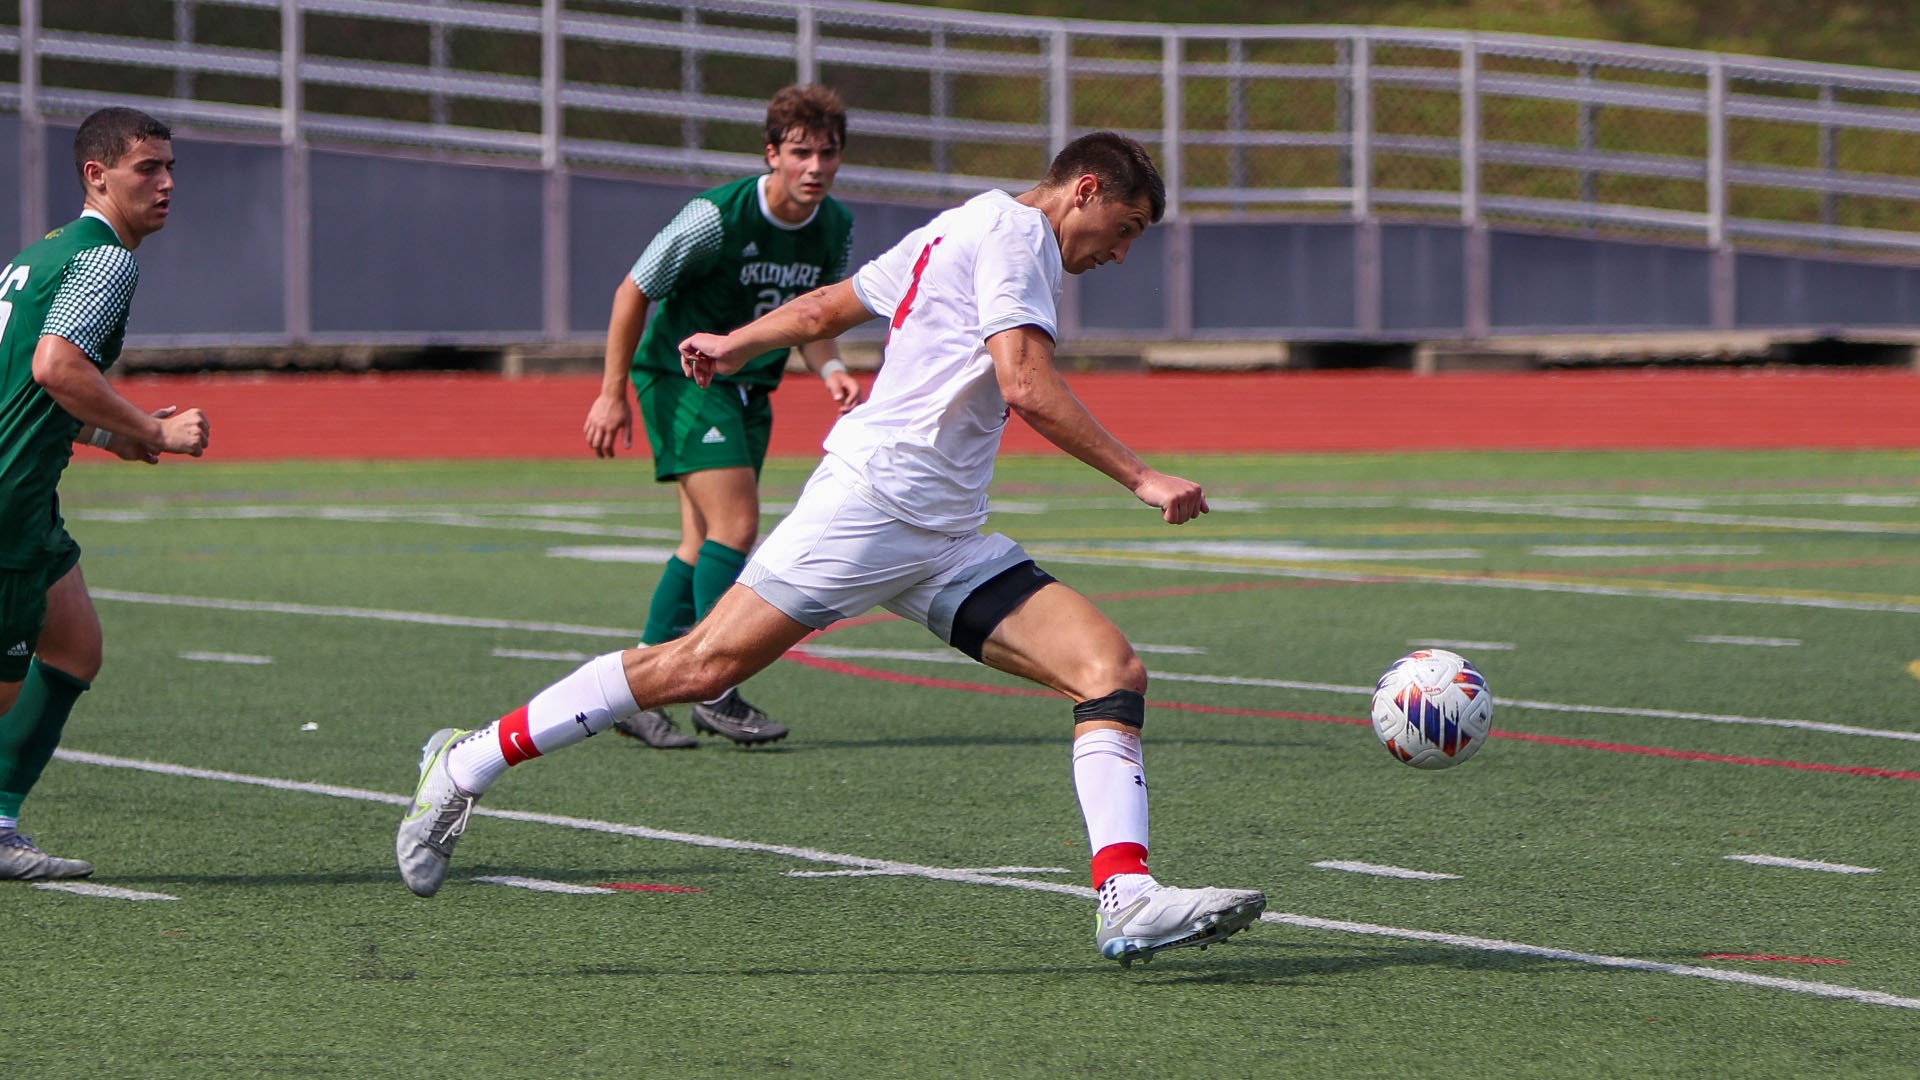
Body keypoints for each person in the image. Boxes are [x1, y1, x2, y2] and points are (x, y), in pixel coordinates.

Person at [398, 131, 1266, 966]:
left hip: (944, 535)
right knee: (699, 667)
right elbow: (1024, 382)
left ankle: (1126, 896)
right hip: (872, 508)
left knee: (1110, 670)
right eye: (1125, 230)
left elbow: (830, 306)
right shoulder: (1016, 236)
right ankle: (466, 761)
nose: (1121, 254)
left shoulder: (966, 221)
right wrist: (1141, 476)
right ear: (1086, 190)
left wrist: (736, 342)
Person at [582, 83, 862, 750]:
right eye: (800, 152)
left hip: (747, 391)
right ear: (771, 154)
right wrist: (611, 390)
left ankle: (630, 690)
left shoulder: (836, 226)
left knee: (699, 541)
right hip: (680, 379)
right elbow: (633, 290)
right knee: (736, 527)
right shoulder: (715, 217)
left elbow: (811, 318)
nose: (815, 167)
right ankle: (716, 688)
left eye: (828, 153)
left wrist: (830, 368)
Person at [0, 107, 209, 880]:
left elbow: (23, 383)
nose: (166, 184)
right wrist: (153, 433)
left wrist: (107, 433)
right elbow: (57, 368)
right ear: (97, 176)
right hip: (8, 497)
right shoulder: (105, 259)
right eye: (147, 169)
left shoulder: (42, 253)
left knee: (74, 644)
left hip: (26, 488)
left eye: (170, 167)